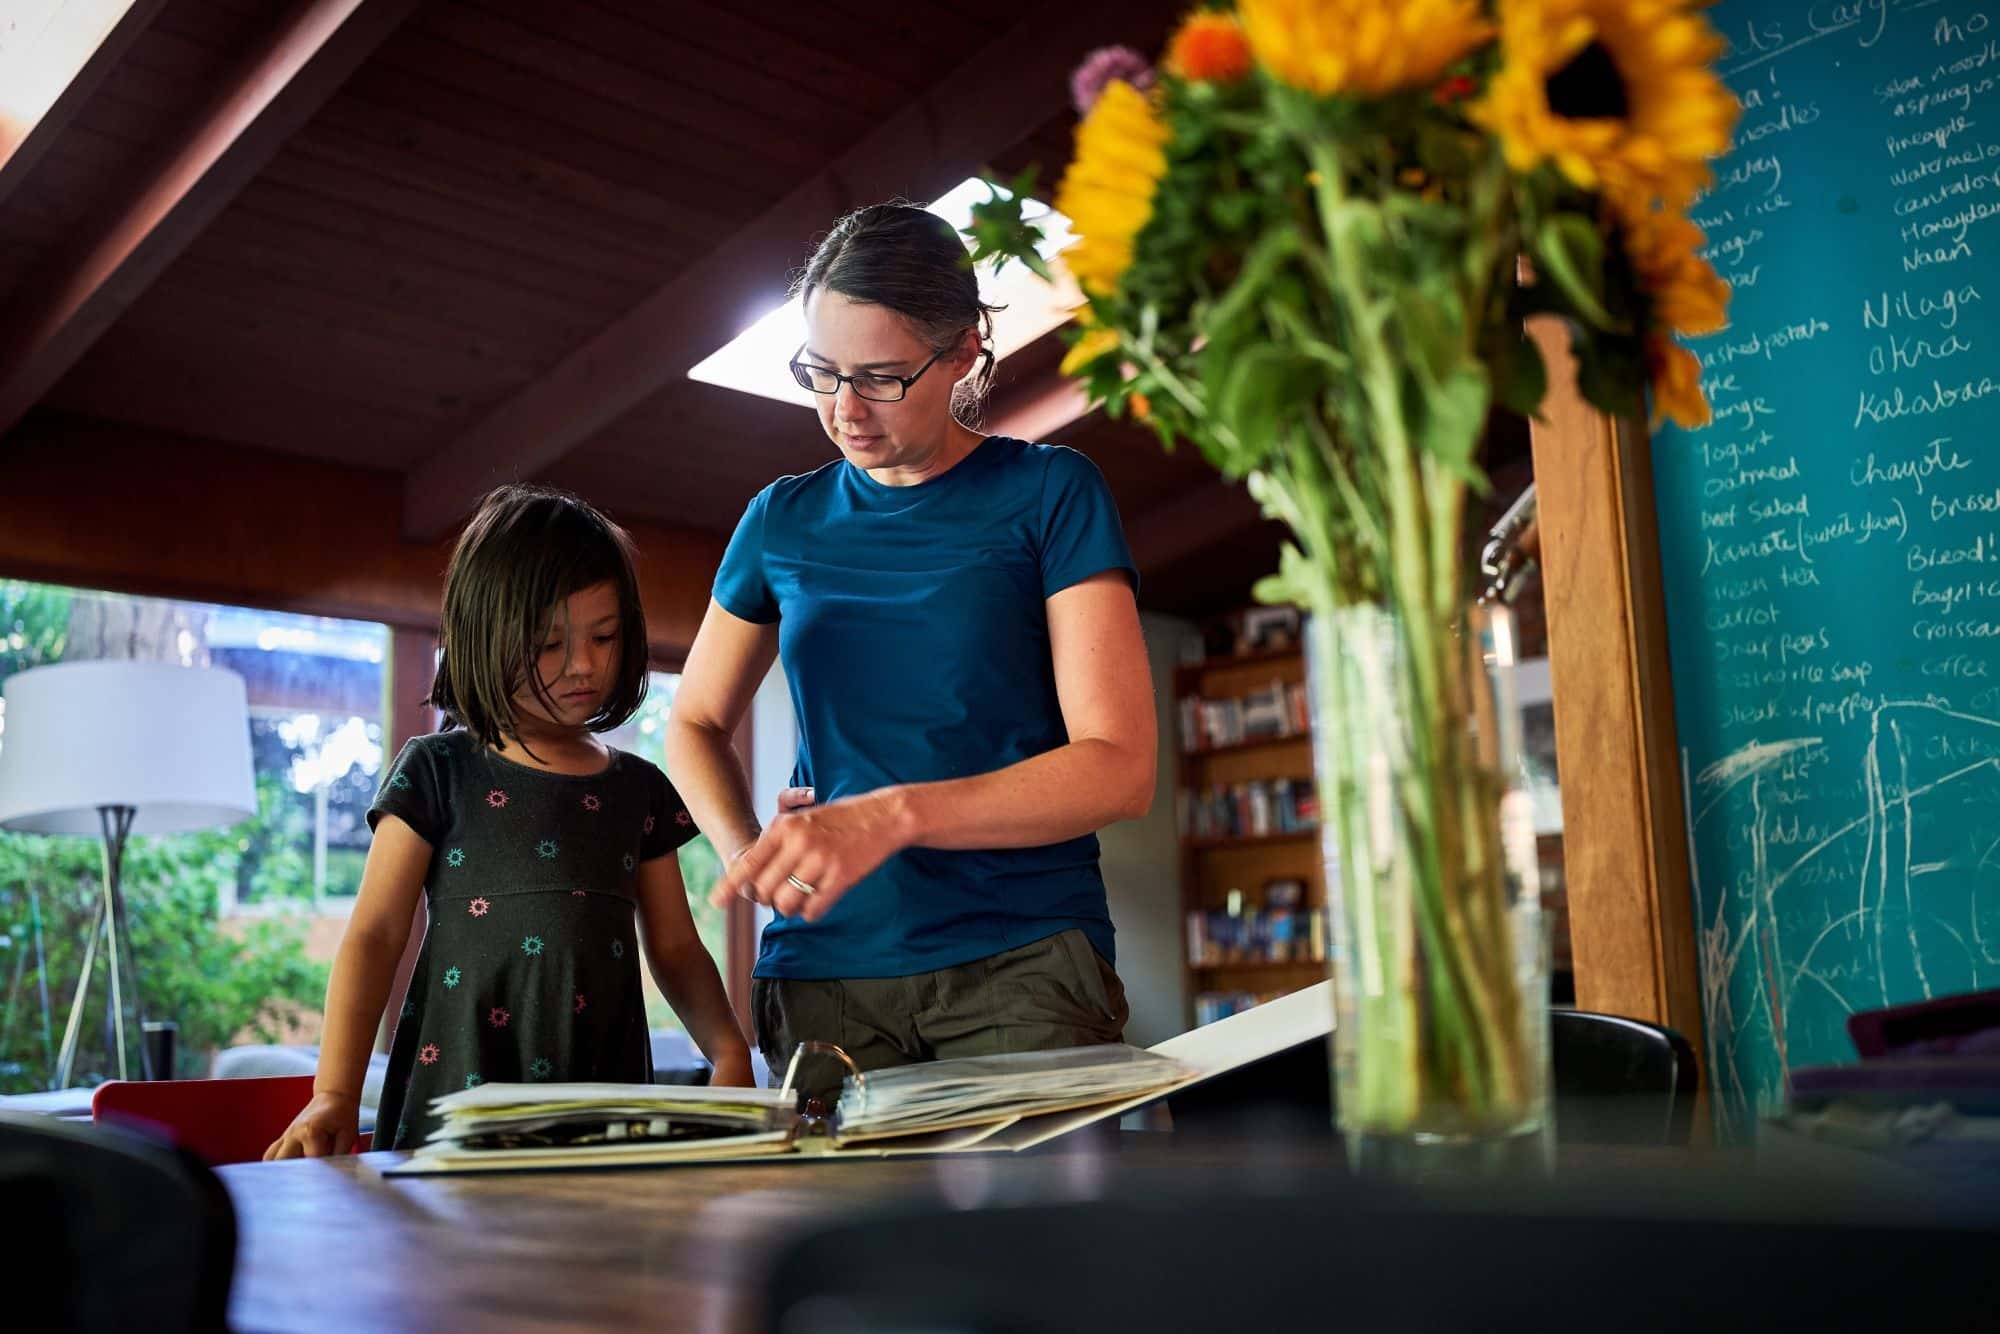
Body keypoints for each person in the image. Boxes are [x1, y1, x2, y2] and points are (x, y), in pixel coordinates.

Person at [665, 203, 1156, 1091]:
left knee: (1023, 1234)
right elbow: (694, 718)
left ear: (964, 351)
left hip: (1024, 958)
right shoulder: (781, 519)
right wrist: (747, 856)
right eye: (820, 371)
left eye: (882, 377)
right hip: (824, 980)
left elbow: (1120, 769)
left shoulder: (1051, 494)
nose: (844, 409)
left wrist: (891, 815)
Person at [267, 485, 752, 1157]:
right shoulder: (437, 770)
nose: (583, 664)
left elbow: (674, 947)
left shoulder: (638, 790)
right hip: (455, 1102)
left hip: (603, 1108)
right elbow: (376, 935)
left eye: (604, 636)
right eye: (548, 644)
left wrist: (731, 1050)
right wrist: (335, 1096)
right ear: (483, 637)